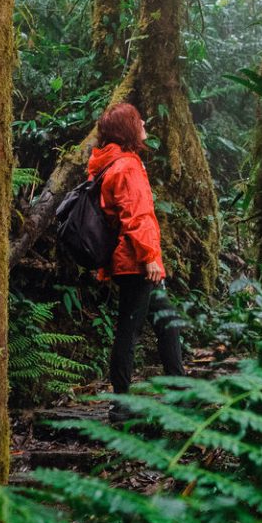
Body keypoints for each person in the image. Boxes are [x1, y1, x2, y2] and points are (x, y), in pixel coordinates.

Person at [85, 102, 185, 395]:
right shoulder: (127, 165)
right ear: (128, 128)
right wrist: (150, 256)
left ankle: (180, 392)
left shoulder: (106, 163)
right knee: (128, 332)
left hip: (126, 259)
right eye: (140, 122)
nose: (144, 127)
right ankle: (122, 404)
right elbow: (136, 215)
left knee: (167, 322)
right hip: (135, 262)